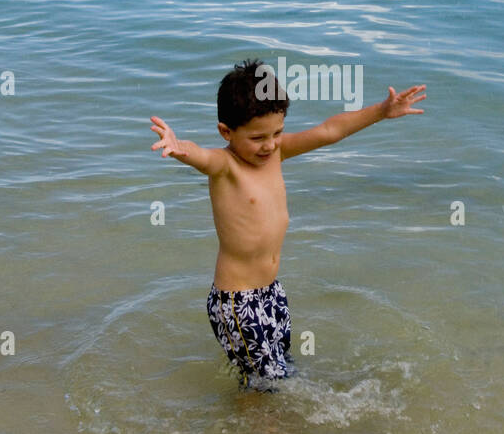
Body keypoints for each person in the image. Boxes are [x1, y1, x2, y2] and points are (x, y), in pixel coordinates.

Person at [151, 59, 426, 389]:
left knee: (275, 376)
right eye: (257, 138)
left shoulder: (276, 153)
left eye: (277, 133)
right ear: (226, 131)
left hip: (271, 293)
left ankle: (253, 430)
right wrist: (179, 148)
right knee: (269, 385)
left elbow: (329, 131)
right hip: (238, 303)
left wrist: (380, 111)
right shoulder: (225, 166)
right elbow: (201, 155)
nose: (269, 145)